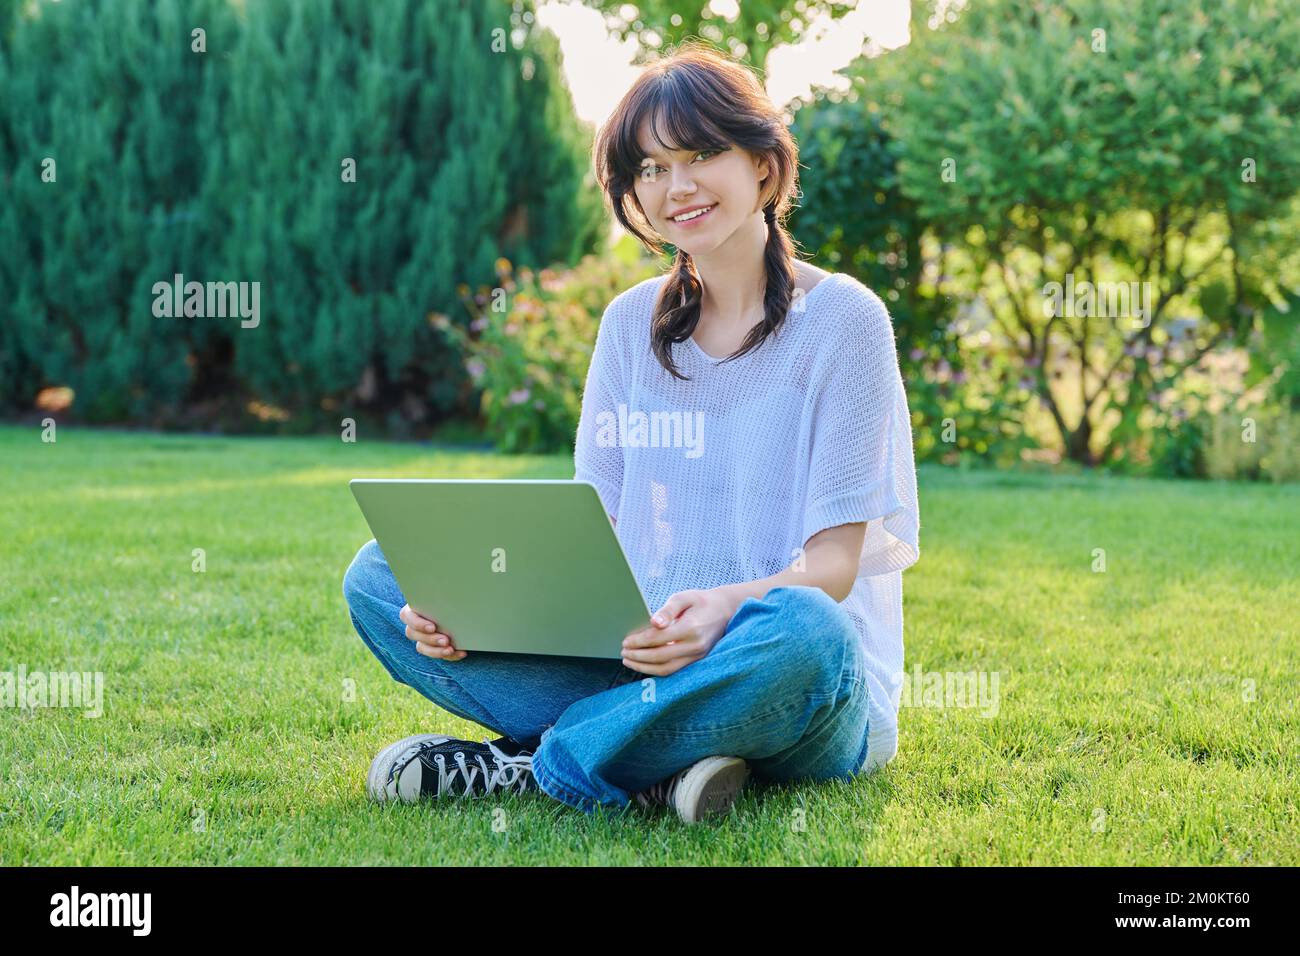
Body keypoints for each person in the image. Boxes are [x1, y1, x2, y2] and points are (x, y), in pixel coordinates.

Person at [343, 41, 920, 825]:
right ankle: (655, 762)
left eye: (701, 153)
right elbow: (596, 532)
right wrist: (472, 612)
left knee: (808, 630)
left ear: (762, 165)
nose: (675, 186)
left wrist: (720, 610)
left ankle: (535, 764)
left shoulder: (845, 322)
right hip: (633, 663)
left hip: (781, 675)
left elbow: (832, 568)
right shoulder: (628, 328)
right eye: (649, 168)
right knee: (380, 577)